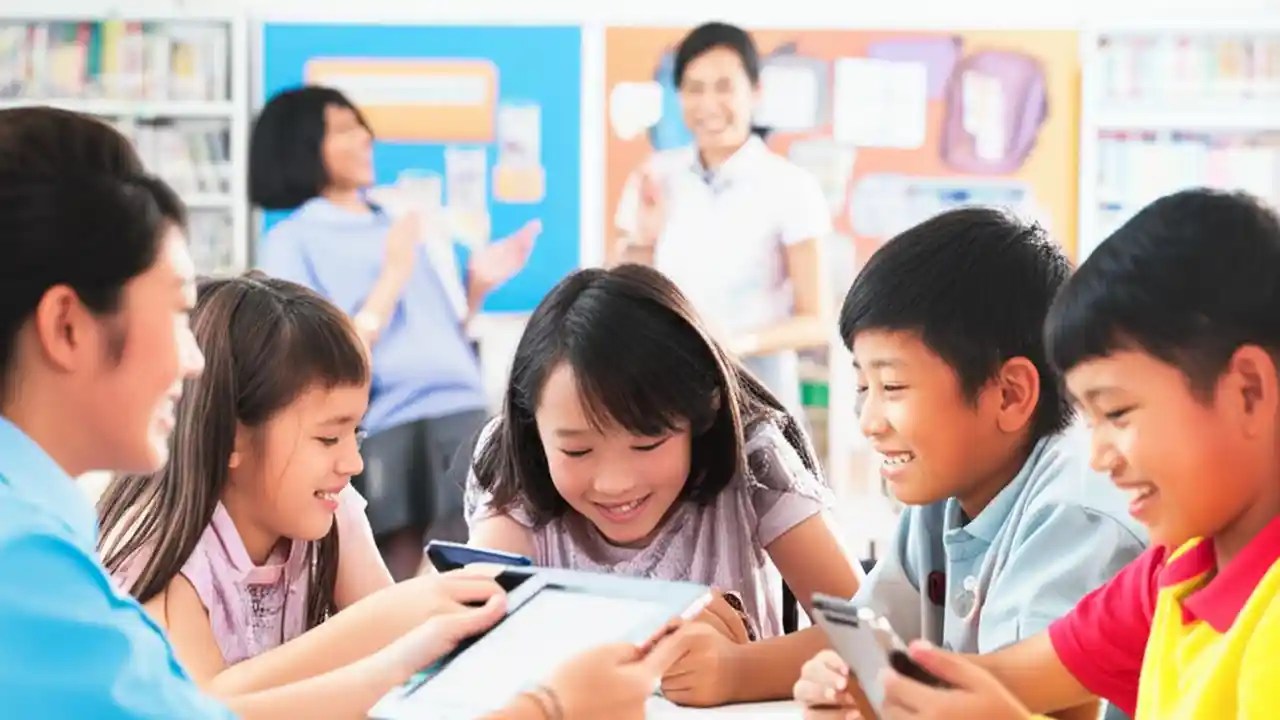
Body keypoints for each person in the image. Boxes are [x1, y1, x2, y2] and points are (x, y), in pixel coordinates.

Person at [0, 105, 693, 720]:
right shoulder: (28, 566)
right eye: (179, 313)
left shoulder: (45, 534)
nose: (192, 362)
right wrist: (548, 707)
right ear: (68, 328)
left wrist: (408, 649)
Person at [864, 189, 1280, 719]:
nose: (1100, 456)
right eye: (1091, 419)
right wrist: (876, 692)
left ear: (1247, 391)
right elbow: (1013, 675)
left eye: (1119, 413)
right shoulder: (1176, 570)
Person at [791, 208, 1146, 720]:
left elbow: (1040, 704)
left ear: (1008, 395)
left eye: (891, 387)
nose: (868, 420)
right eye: (863, 386)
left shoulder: (1077, 507)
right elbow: (882, 644)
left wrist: (888, 694)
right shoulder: (948, 488)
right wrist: (844, 681)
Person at [466, 263, 863, 707]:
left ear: (702, 414)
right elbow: (468, 630)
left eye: (648, 444)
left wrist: (739, 670)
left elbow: (869, 630)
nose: (614, 483)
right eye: (577, 452)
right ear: (532, 431)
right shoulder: (514, 467)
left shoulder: (752, 460)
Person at [251, 85, 540, 579]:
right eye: (343, 129)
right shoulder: (292, 239)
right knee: (396, 580)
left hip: (462, 407)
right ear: (302, 147)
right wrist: (392, 273)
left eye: (361, 125)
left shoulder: (402, 219)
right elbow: (310, 358)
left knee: (474, 566)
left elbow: (442, 329)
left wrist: (477, 286)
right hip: (386, 422)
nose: (364, 138)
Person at [614, 21, 832, 413]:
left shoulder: (791, 186)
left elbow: (816, 319)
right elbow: (624, 297)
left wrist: (731, 343)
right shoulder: (654, 178)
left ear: (756, 92)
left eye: (724, 87)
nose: (708, 104)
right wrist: (644, 237)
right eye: (694, 89)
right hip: (670, 390)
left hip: (757, 396)